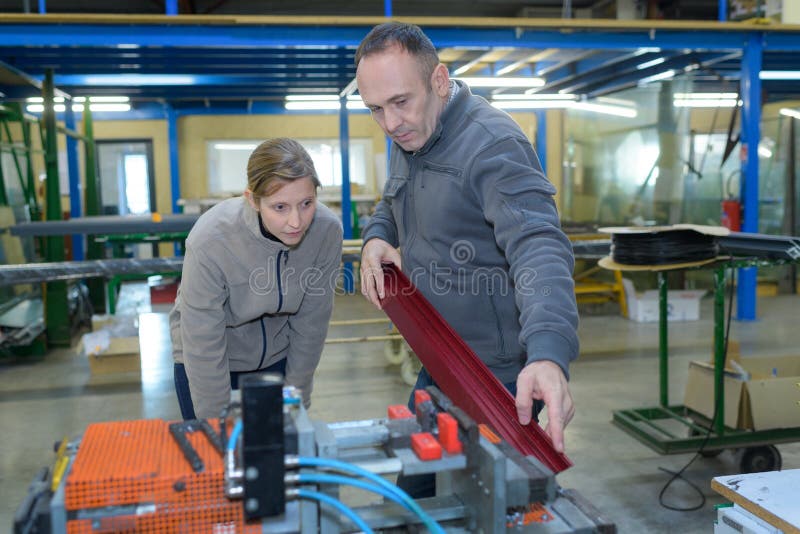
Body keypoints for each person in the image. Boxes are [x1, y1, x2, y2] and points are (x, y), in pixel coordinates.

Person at [356, 22, 579, 466]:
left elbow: (538, 245)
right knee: (418, 496)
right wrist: (377, 236)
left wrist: (548, 355)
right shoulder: (410, 135)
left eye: (400, 102)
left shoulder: (492, 144)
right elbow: (393, 199)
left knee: (498, 507)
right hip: (440, 353)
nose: (390, 123)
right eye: (376, 109)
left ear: (439, 80)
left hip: (498, 377)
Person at [170, 138, 343, 420]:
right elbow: (202, 338)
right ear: (253, 199)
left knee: (273, 452)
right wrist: (216, 422)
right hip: (210, 360)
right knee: (218, 454)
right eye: (280, 207)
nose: (296, 222)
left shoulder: (326, 232)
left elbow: (312, 322)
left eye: (306, 203)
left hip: (276, 356)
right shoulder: (211, 239)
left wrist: (295, 399)